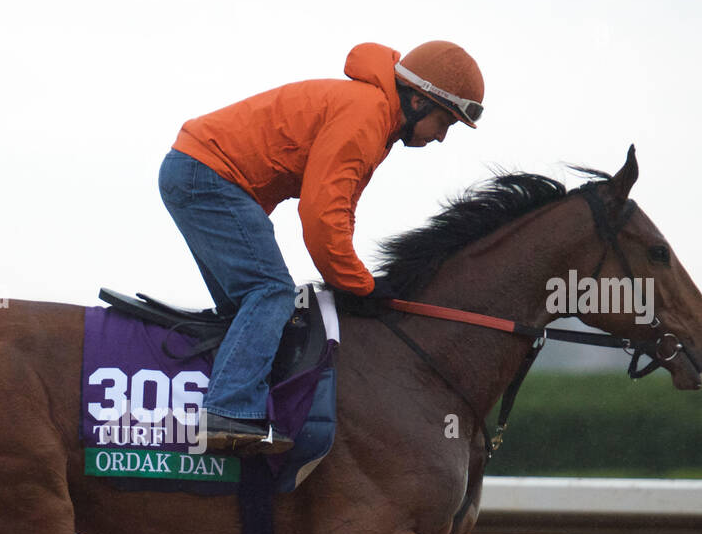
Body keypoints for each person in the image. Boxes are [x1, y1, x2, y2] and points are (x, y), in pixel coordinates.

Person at [159, 40, 484, 455]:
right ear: (419, 101)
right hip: (205, 175)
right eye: (444, 122)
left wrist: (355, 277)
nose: (441, 137)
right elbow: (320, 218)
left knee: (250, 307)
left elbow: (340, 209)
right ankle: (228, 412)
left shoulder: (376, 119)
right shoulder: (366, 115)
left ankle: (233, 406)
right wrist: (360, 285)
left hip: (198, 171)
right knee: (271, 291)